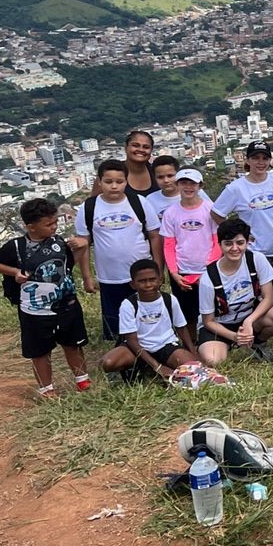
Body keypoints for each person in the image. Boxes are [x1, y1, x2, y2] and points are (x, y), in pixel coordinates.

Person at [0, 198, 92, 397]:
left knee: (73, 344)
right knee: (40, 351)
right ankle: (47, 389)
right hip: (34, 309)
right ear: (31, 227)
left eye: (55, 223)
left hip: (66, 304)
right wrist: (15, 272)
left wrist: (82, 247)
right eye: (48, 224)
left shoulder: (59, 242)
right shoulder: (16, 247)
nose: (54, 227)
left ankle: (82, 380)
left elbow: (68, 267)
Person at [73, 159, 163, 341]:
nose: (114, 186)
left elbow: (155, 236)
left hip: (141, 273)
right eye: (108, 182)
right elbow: (83, 244)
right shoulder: (88, 208)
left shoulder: (139, 203)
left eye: (119, 182)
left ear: (126, 181)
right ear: (99, 182)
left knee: (147, 317)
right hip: (109, 276)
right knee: (115, 325)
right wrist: (87, 277)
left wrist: (158, 269)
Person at [196, 218, 273, 365]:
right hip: (220, 325)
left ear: (247, 242)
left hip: (249, 318)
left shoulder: (256, 259)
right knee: (213, 360)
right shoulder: (208, 278)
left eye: (240, 243)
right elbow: (208, 321)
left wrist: (249, 321)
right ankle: (230, 344)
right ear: (220, 245)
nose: (234, 248)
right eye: (228, 244)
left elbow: (268, 298)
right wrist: (235, 337)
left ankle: (257, 344)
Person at [211, 141, 273, 273]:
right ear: (248, 160)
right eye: (255, 158)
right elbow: (216, 213)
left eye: (265, 158)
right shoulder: (235, 188)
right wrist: (238, 233)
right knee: (269, 291)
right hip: (258, 252)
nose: (261, 162)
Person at [99, 259, 194, 381]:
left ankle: (157, 364)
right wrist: (157, 367)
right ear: (133, 284)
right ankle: (145, 365)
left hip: (166, 345)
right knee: (108, 363)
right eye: (142, 281)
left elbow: (181, 328)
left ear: (160, 280)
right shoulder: (128, 305)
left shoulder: (169, 300)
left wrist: (194, 354)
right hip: (137, 348)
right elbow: (132, 341)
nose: (148, 285)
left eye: (152, 279)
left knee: (192, 367)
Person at [159, 168, 216, 336]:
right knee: (186, 312)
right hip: (183, 271)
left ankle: (214, 339)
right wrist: (174, 272)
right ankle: (189, 343)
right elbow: (168, 244)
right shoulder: (171, 213)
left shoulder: (210, 209)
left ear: (200, 186)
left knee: (212, 309)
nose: (188, 187)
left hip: (207, 269)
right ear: (178, 185)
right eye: (184, 183)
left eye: (193, 183)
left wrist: (208, 269)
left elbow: (217, 241)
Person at [146, 155, 183, 222]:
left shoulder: (194, 193)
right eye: (160, 177)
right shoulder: (150, 200)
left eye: (170, 176)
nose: (166, 180)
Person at [121, 129, 157, 196]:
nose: (140, 150)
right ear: (126, 147)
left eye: (146, 147)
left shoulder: (157, 171)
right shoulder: (110, 172)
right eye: (135, 145)